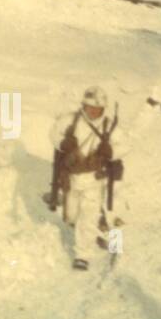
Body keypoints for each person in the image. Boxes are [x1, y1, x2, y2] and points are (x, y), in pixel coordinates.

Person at [49, 85, 127, 270]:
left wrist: (112, 151)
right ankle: (92, 227)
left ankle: (82, 255)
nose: (93, 112)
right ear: (83, 106)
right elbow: (53, 134)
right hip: (72, 178)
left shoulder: (109, 126)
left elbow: (126, 144)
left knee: (88, 216)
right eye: (90, 108)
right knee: (71, 216)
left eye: (97, 109)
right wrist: (62, 143)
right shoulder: (70, 121)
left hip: (94, 179)